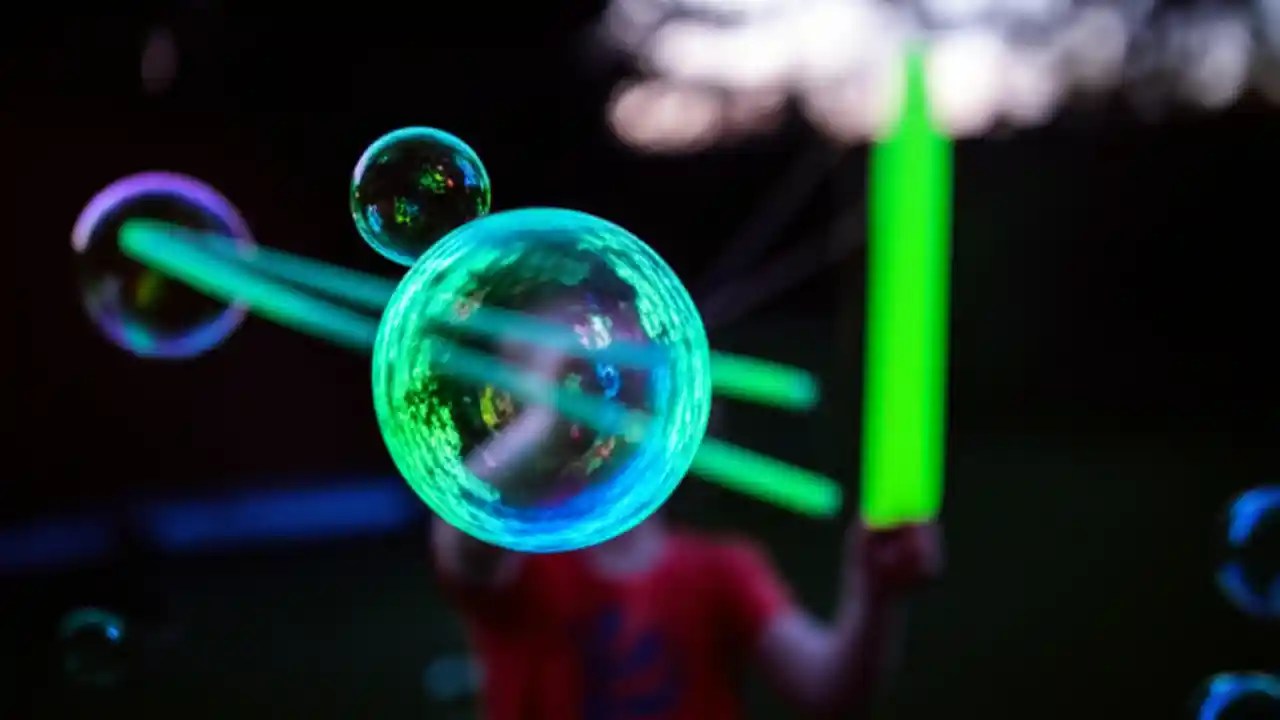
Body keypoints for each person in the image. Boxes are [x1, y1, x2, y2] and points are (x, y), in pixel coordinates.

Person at [430, 508, 942, 719]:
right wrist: (545, 418)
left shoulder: (721, 570)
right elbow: (464, 543)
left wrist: (873, 594)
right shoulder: (523, 563)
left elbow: (828, 688)